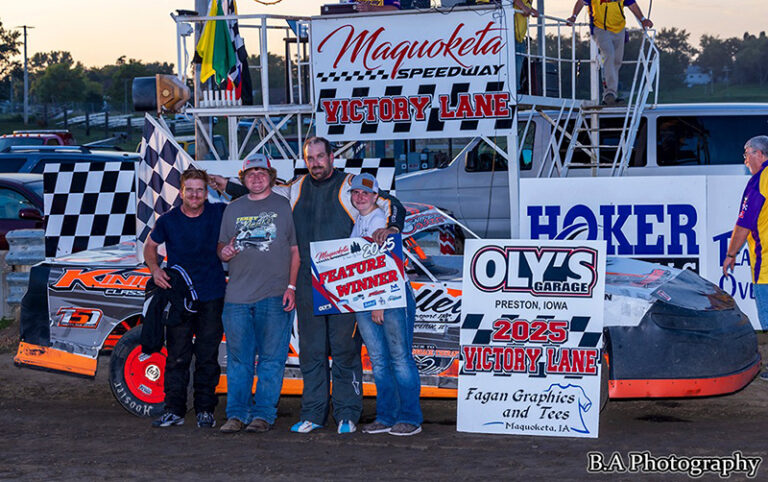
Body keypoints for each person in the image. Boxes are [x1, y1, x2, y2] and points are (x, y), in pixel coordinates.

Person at [210, 137, 405, 434]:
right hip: (306, 283)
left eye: (320, 156)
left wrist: (392, 226)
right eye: (310, 158)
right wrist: (226, 185)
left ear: (331, 157)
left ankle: (347, 414)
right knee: (311, 352)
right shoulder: (297, 187)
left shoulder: (349, 185)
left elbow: (390, 202)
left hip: (344, 283)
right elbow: (262, 189)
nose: (315, 163)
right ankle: (313, 413)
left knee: (344, 350)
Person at [217, 154, 300, 434]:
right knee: (239, 361)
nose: (256, 177)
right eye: (250, 173)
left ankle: (263, 414)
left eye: (261, 172)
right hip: (237, 297)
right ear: (243, 178)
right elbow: (221, 248)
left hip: (275, 294)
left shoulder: (284, 205)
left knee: (271, 361)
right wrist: (225, 252)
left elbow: (295, 250)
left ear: (271, 176)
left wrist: (291, 287)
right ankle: (236, 414)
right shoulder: (233, 208)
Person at [143, 168, 226, 429]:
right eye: (189, 190)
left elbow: (249, 201)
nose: (194, 195)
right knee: (177, 356)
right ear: (181, 192)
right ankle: (174, 410)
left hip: (212, 295)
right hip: (180, 297)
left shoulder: (219, 212)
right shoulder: (168, 220)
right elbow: (149, 246)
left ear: (207, 193)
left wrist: (224, 184)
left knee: (207, 356)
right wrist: (155, 269)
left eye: (200, 190)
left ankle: (205, 410)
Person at [348, 173, 423, 436]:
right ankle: (386, 415)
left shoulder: (380, 219)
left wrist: (379, 301)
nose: (360, 197)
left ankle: (410, 417)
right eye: (356, 192)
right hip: (366, 298)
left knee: (399, 358)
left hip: (388, 297)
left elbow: (385, 263)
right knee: (380, 361)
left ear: (375, 196)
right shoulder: (360, 219)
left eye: (366, 193)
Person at [723, 136, 768, 351]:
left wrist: (731, 254)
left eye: (746, 154)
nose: (745, 160)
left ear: (759, 154)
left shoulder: (760, 181)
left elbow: (744, 224)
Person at [566, 0, 653, 105]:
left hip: (619, 29)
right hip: (600, 29)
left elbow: (632, 5)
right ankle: (610, 93)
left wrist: (643, 20)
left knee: (617, 61)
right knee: (609, 55)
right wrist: (573, 17)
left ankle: (611, 96)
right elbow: (581, 2)